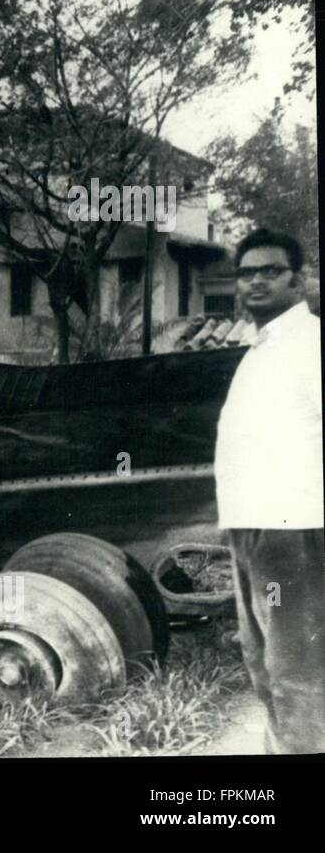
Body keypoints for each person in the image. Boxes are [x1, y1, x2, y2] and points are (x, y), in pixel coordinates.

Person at [213, 229, 324, 754]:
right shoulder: (259, 349)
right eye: (246, 272)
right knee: (263, 667)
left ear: (298, 281)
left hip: (295, 531)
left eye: (270, 271)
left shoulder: (310, 345)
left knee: (297, 671)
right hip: (252, 531)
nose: (255, 281)